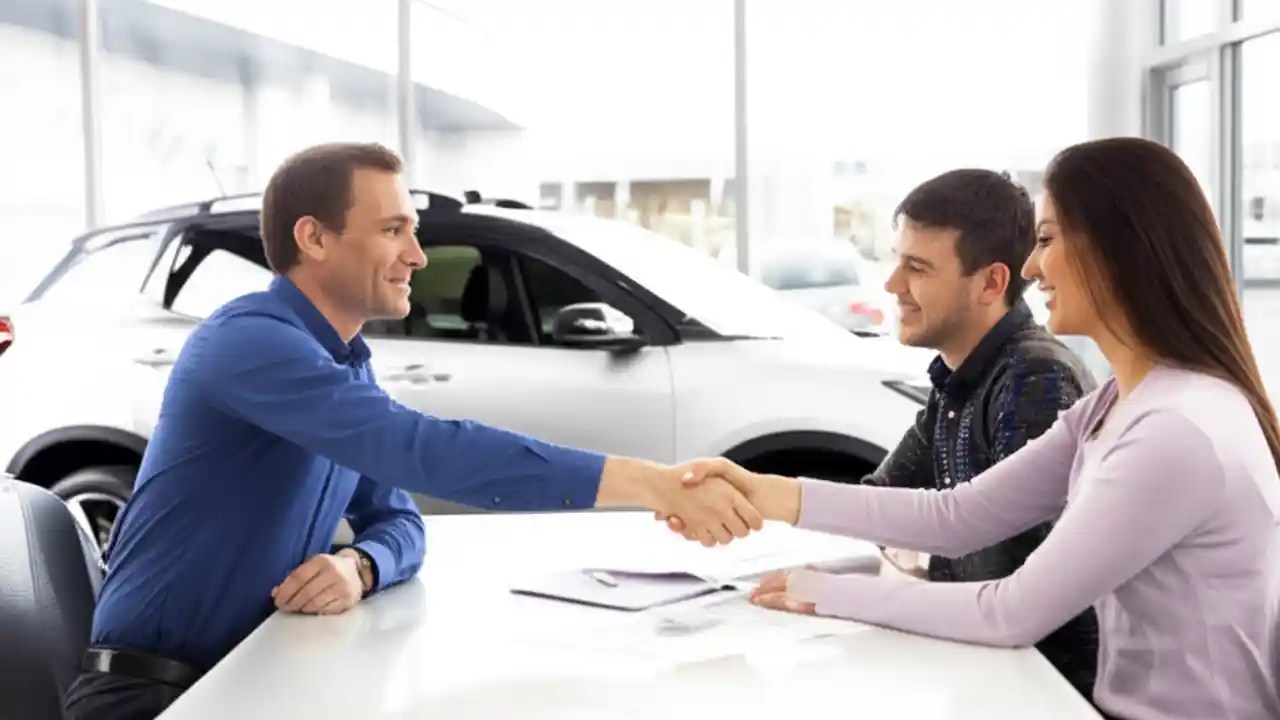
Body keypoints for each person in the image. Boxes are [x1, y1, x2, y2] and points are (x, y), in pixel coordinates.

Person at [63, 142, 761, 720]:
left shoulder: (344, 366)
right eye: (393, 229)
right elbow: (430, 453)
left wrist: (358, 566)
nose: (418, 256)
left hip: (244, 684)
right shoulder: (250, 342)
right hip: (151, 696)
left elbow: (399, 520)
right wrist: (651, 483)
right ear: (314, 237)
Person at [677, 138, 1280, 719]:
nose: (1032, 266)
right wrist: (766, 492)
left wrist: (820, 590)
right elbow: (959, 516)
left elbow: (1010, 612)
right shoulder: (1122, 404)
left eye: (1046, 240)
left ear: (1117, 249)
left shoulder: (1174, 430)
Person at [670, 169, 1103, 696]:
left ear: (991, 282)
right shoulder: (959, 378)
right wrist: (758, 515)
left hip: (1038, 689)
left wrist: (829, 585)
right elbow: (883, 504)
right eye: (897, 260)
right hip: (982, 667)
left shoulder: (1034, 377)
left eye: (917, 267)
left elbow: (1001, 572)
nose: (892, 284)